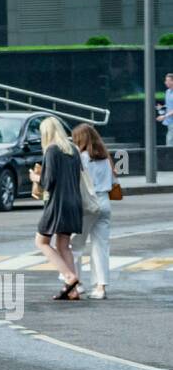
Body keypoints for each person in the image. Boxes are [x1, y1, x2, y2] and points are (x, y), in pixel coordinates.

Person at [29, 116, 83, 301]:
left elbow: (48, 182)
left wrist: (35, 178)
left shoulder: (51, 150)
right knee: (63, 245)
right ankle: (73, 290)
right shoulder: (73, 149)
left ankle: (69, 277)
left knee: (41, 242)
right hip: (74, 202)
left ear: (46, 133)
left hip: (57, 203)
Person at [71, 123, 115, 301]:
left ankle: (76, 283)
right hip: (104, 203)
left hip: (87, 203)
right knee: (101, 246)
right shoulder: (105, 158)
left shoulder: (81, 158)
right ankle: (101, 287)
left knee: (75, 245)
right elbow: (113, 181)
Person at [159, 72, 173, 146]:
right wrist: (162, 107)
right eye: (165, 81)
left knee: (169, 142)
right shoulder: (167, 92)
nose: (165, 82)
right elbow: (169, 104)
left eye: (167, 81)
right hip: (169, 122)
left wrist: (164, 116)